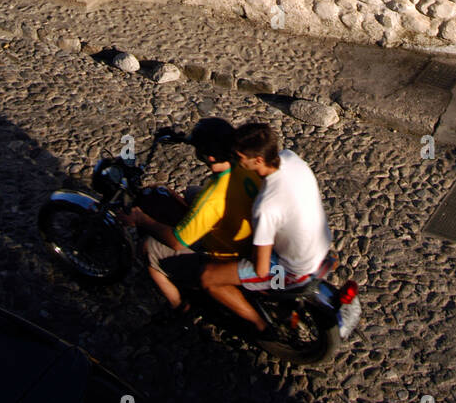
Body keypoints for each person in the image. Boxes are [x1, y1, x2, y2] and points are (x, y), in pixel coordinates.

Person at [200, 122, 332, 333]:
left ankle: (262, 326)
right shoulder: (291, 157)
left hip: (292, 268)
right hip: (320, 247)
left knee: (209, 277)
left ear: (258, 160)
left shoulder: (266, 206)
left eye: (240, 158)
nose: (237, 161)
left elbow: (261, 269)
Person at [125, 118, 261, 314]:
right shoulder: (247, 167)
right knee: (190, 192)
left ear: (209, 158)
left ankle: (179, 305)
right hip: (247, 230)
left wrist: (140, 219)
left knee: (147, 247)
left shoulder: (212, 196)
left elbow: (177, 241)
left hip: (225, 250)